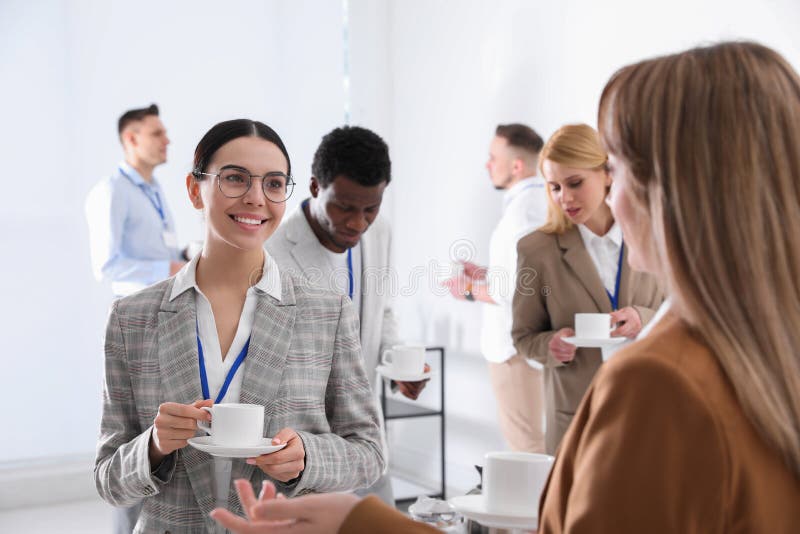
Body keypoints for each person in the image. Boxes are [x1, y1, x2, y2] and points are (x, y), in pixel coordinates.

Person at [208, 40, 800, 534]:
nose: (603, 199)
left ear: (674, 189)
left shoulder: (657, 381)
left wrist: (360, 524)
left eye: (613, 171)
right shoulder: (768, 354)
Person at [94, 119, 385, 533]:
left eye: (273, 183)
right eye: (234, 179)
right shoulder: (131, 318)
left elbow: (370, 454)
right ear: (195, 190)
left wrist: (308, 457)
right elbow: (108, 480)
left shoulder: (327, 312)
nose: (255, 198)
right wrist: (154, 446)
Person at [266, 125, 429, 506]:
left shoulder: (380, 233)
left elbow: (381, 312)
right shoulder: (271, 251)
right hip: (302, 444)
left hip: (366, 433)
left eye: (370, 208)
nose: (358, 222)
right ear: (313, 187)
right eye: (344, 207)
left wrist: (396, 366)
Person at [511, 123, 662, 453]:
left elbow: (680, 311)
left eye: (574, 183)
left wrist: (644, 317)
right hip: (576, 420)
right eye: (554, 187)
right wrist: (551, 345)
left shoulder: (653, 234)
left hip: (651, 411)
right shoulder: (537, 251)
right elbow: (523, 336)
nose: (564, 198)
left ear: (607, 173)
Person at [444, 123, 548, 453]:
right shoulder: (535, 204)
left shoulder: (523, 213)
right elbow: (529, 274)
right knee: (530, 442)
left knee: (526, 447)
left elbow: (515, 289)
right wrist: (486, 273)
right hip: (521, 348)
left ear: (516, 166)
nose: (487, 164)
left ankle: (540, 507)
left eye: (493, 157)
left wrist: (470, 289)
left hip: (513, 351)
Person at [86, 104, 186, 298]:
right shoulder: (111, 191)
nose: (167, 141)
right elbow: (105, 267)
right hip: (136, 309)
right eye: (157, 134)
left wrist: (184, 257)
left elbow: (153, 252)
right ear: (131, 139)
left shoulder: (154, 188)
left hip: (167, 304)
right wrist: (169, 268)